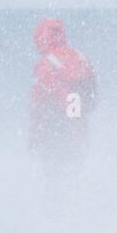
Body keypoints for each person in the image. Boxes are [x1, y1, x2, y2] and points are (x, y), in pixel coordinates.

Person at [29, 17, 97, 174]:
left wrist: (34, 134)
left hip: (53, 127)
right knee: (74, 172)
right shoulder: (80, 58)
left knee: (54, 176)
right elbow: (92, 96)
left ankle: (56, 197)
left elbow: (37, 103)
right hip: (78, 126)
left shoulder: (46, 63)